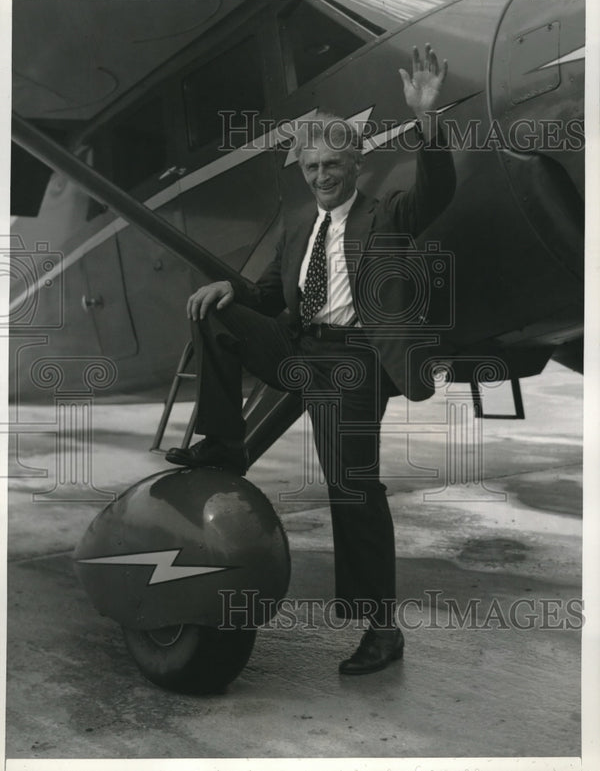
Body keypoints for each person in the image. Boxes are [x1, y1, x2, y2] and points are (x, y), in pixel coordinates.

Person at [166, 44, 456, 675]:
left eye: (332, 164)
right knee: (214, 313)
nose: (322, 175)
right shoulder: (299, 228)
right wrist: (227, 290)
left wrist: (427, 118)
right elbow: (267, 297)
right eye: (312, 166)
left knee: (353, 489)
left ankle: (382, 630)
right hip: (300, 349)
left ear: (355, 163)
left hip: (352, 364)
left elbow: (438, 189)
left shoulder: (388, 215)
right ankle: (223, 444)